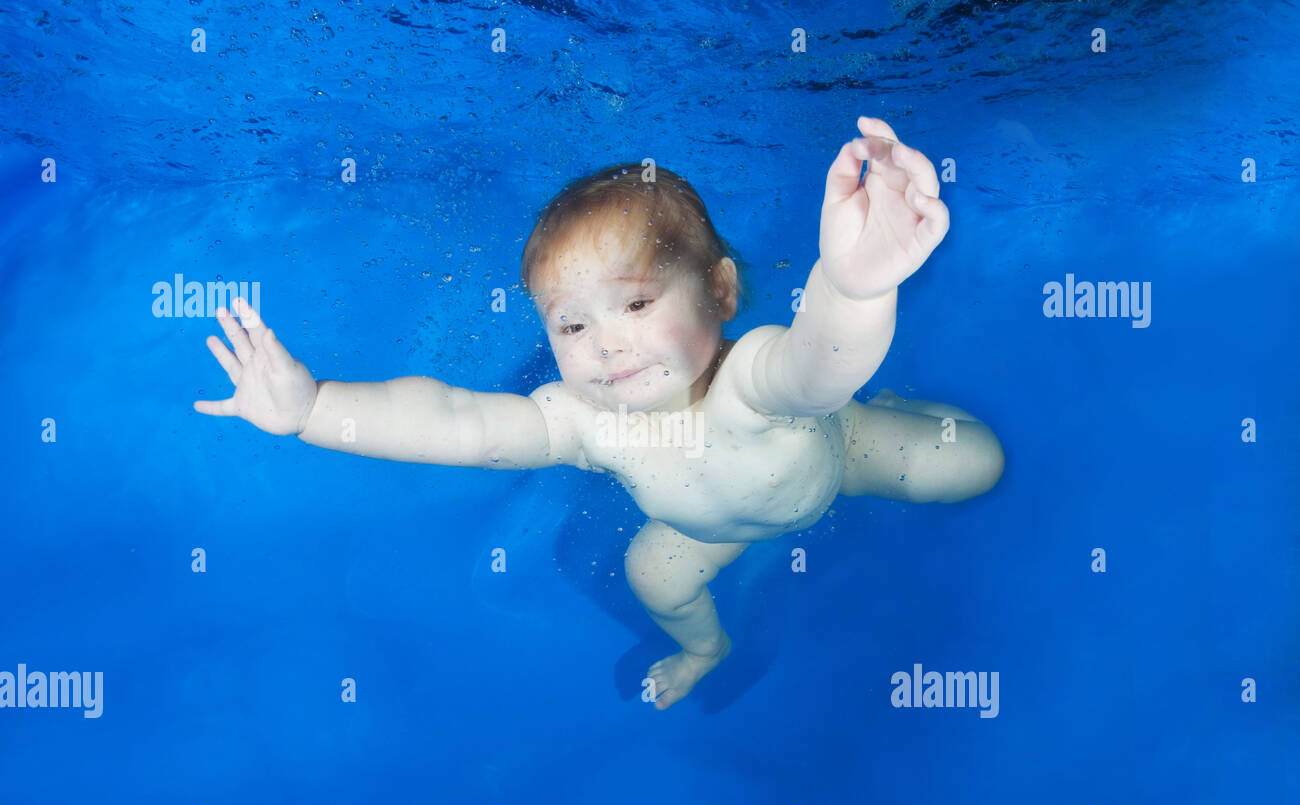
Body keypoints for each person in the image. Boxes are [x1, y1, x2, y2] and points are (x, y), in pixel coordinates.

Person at [194, 116, 1004, 710]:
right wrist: (315, 410)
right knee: (651, 575)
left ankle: (893, 410)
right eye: (572, 325)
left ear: (720, 292)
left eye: (638, 303)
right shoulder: (583, 421)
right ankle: (705, 650)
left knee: (976, 463)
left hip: (844, 449)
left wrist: (854, 286)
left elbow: (819, 365)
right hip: (705, 531)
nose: (606, 347)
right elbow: (457, 423)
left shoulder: (752, 377)